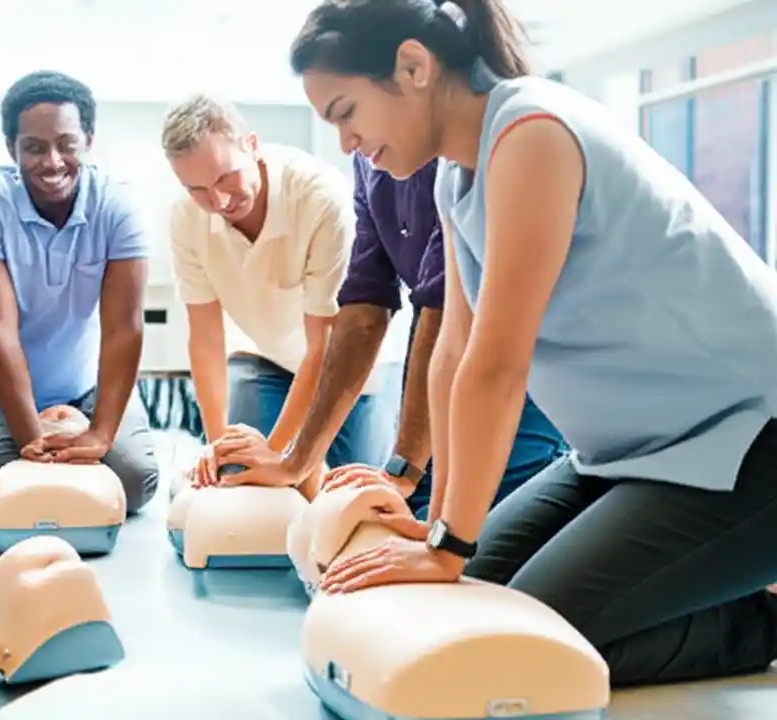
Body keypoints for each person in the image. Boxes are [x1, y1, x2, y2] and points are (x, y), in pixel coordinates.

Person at [292, 0, 777, 687]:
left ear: (414, 66)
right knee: (452, 609)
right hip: (627, 455)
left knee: (504, 650)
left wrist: (453, 543)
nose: (346, 142)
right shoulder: (455, 176)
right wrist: (436, 530)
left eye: (346, 112)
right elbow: (452, 354)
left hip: (748, 447)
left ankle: (755, 623)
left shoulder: (532, 132)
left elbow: (497, 364)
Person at [222, 149, 567, 518]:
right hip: (458, 385)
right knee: (395, 518)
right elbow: (364, 311)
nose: (343, 140)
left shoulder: (456, 160)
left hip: (527, 385)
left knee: (459, 544)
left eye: (347, 110)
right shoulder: (368, 158)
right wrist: (295, 463)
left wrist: (403, 469)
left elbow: (442, 309)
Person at [0, 70, 159, 516]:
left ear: (88, 141)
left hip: (86, 387)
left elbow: (123, 329)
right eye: (34, 148)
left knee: (135, 482)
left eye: (66, 145)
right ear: (11, 149)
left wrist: (97, 435)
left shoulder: (119, 205)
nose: (52, 161)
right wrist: (31, 440)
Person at [160, 94, 400, 494]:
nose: (217, 201)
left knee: (349, 498)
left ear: (252, 146)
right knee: (246, 482)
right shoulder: (185, 216)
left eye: (224, 177)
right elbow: (205, 339)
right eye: (197, 188)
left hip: (347, 362)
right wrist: (219, 450)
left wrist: (279, 460)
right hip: (263, 355)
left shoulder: (320, 197)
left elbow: (322, 346)